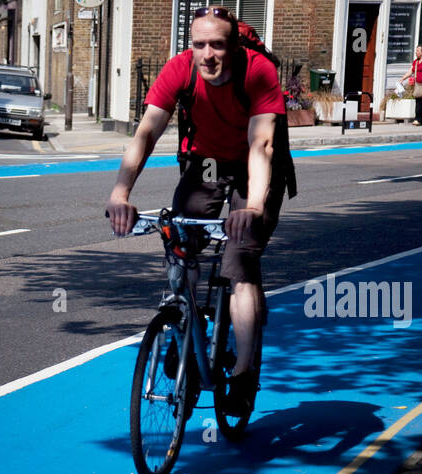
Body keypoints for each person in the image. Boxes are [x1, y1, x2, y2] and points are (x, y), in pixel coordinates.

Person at [105, 6, 287, 415]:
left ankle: (242, 374)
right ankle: (184, 333)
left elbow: (262, 145)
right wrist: (121, 193)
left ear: (234, 46)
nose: (208, 54)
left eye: (217, 45)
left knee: (239, 262)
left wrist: (253, 206)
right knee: (180, 241)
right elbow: (147, 131)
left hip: (254, 169)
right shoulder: (179, 69)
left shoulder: (257, 73)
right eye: (199, 44)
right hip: (205, 163)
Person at [399, 44, 422, 126]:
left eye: (417, 51)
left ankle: (418, 119)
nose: (416, 52)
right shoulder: (416, 61)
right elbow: (410, 71)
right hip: (418, 84)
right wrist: (403, 78)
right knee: (418, 100)